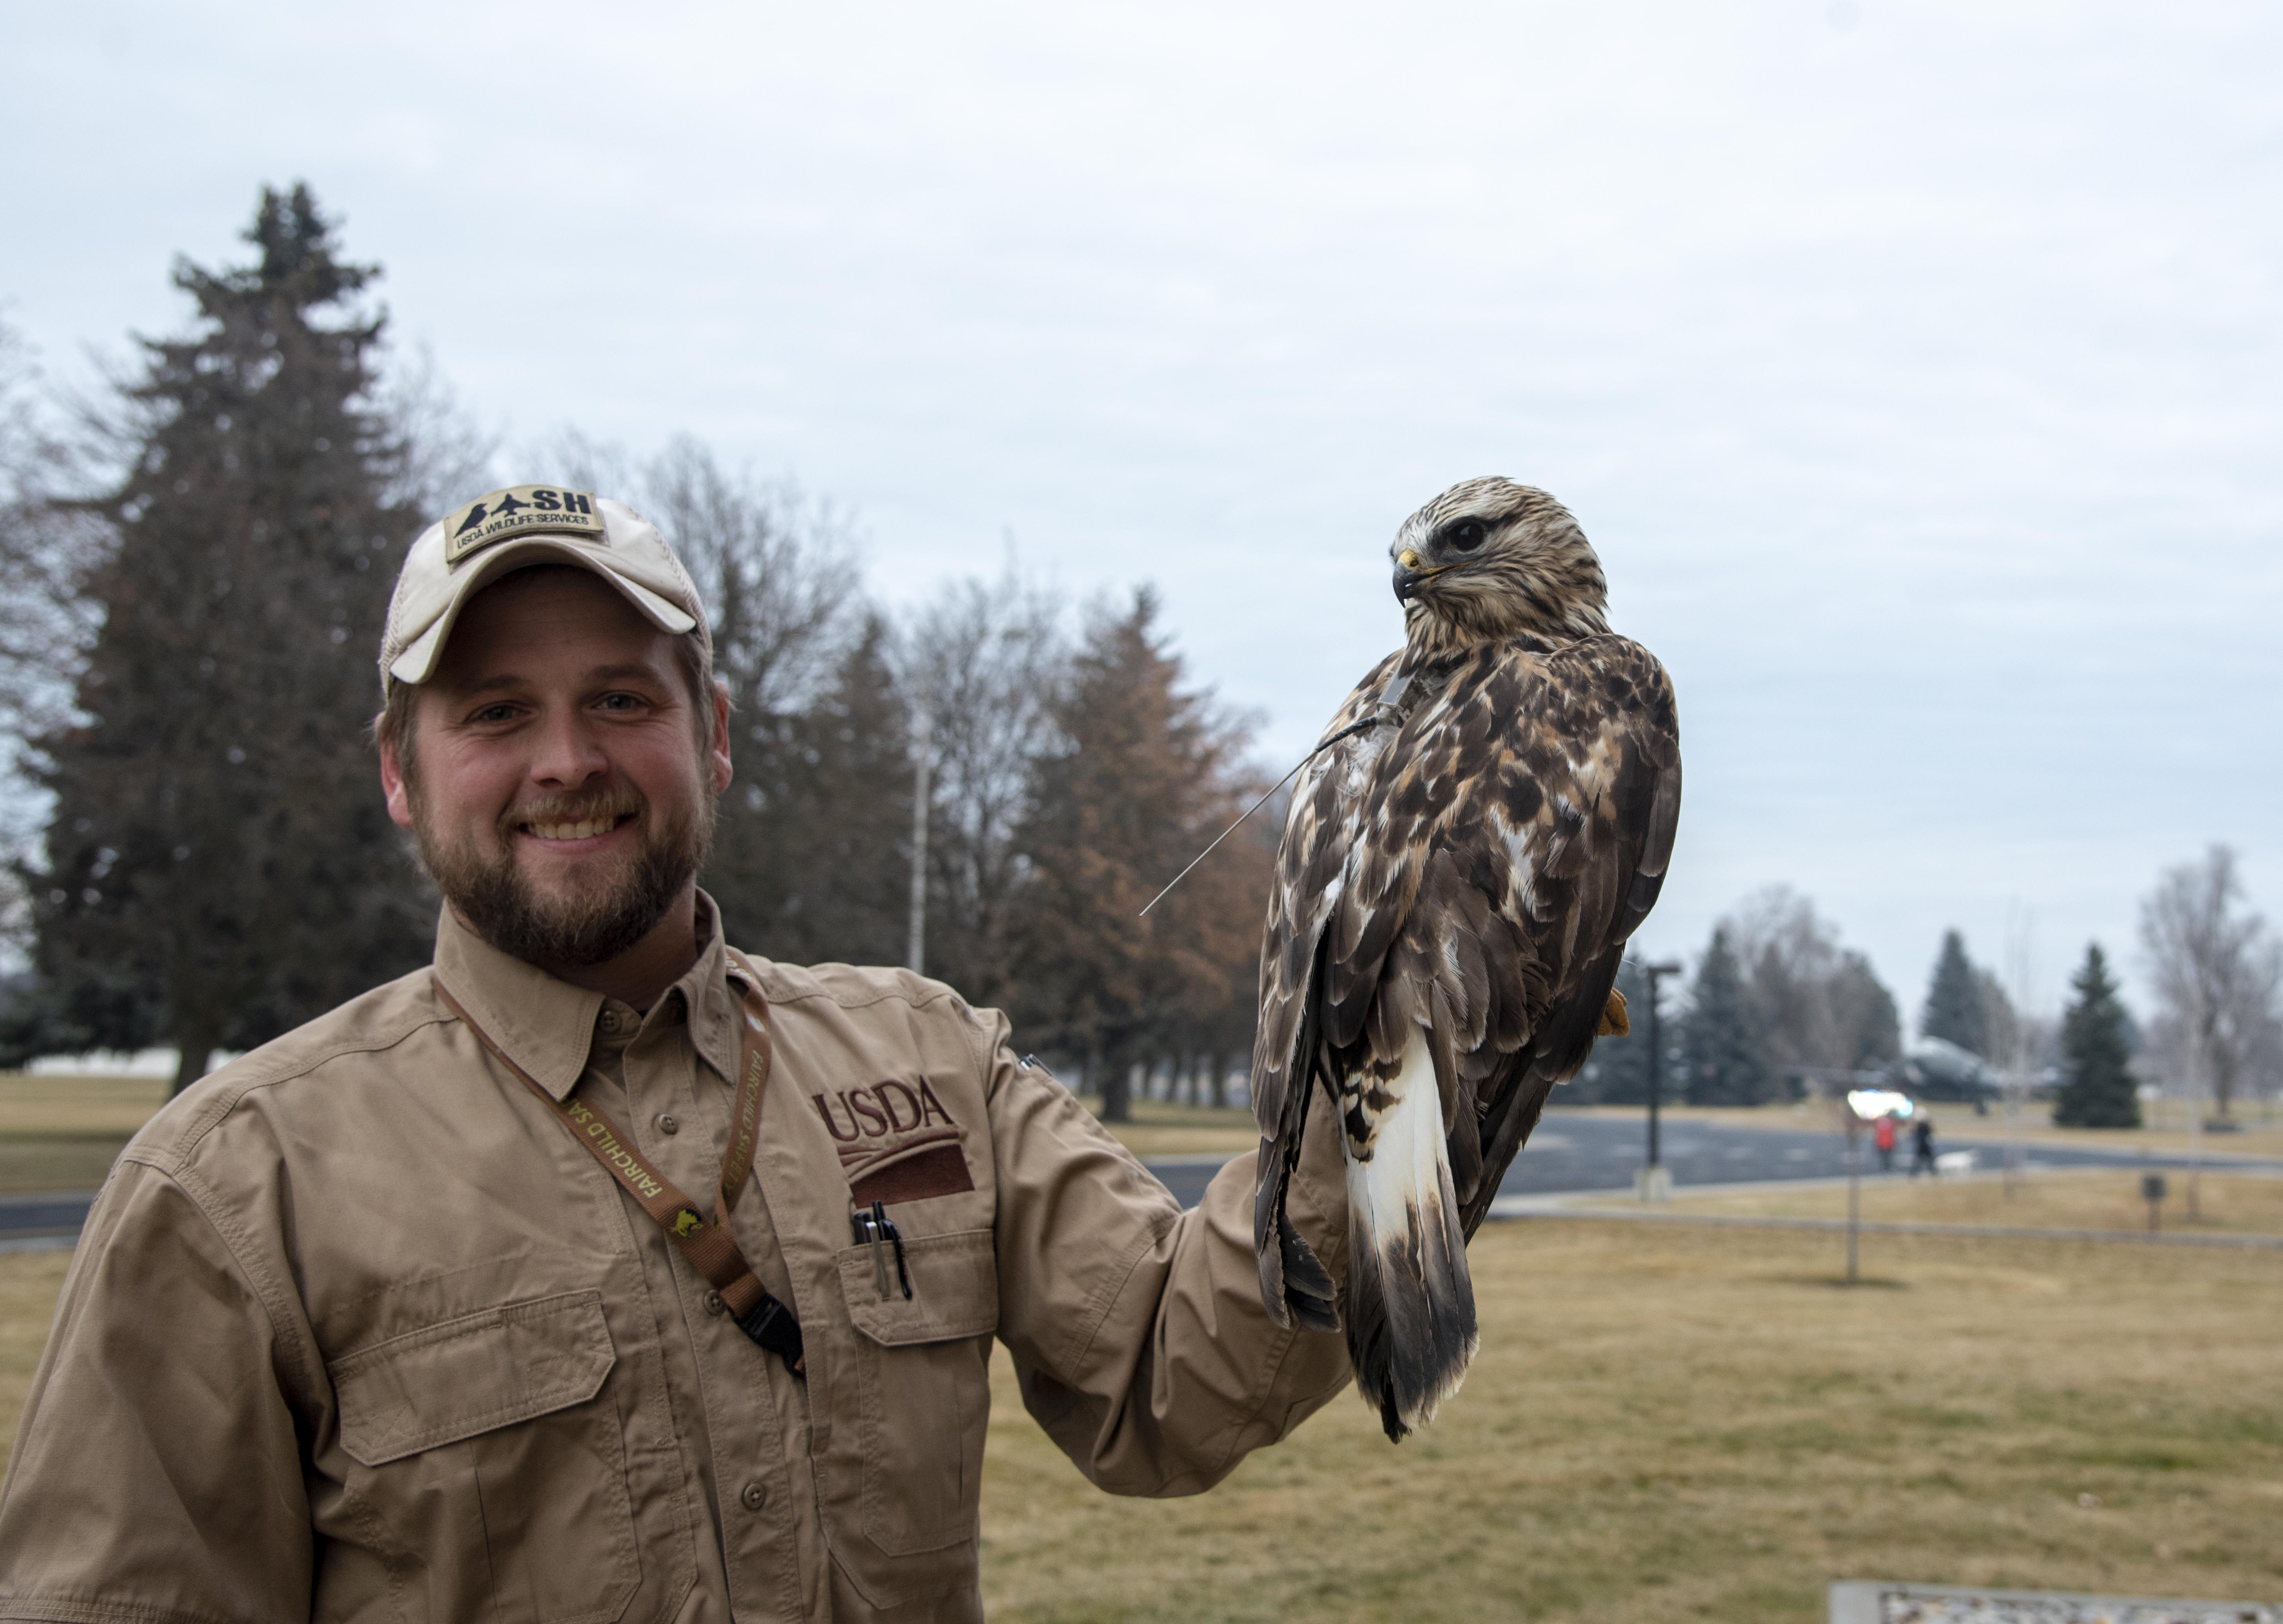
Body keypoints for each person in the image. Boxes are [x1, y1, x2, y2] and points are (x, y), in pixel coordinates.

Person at [0, 488, 1355, 1624]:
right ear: (399, 771)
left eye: (618, 698)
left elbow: (1181, 1380)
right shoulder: (239, 1186)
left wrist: (1409, 1075)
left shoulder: (924, 1059)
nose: (568, 760)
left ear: (710, 734)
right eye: (492, 714)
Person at [1910, 1113, 1937, 1178]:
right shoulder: (1919, 1128)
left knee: (1930, 1161)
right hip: (1922, 1146)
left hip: (1926, 1146)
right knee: (1919, 1162)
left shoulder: (1925, 1128)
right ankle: (1913, 1173)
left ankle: (1934, 1173)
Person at [1873, 1108, 1898, 1172]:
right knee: (1888, 1156)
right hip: (1888, 1143)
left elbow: (1877, 1134)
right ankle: (1887, 1167)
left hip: (1882, 1143)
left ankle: (1884, 1168)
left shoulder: (1880, 1123)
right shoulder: (1891, 1123)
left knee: (1884, 1157)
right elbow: (1893, 1134)